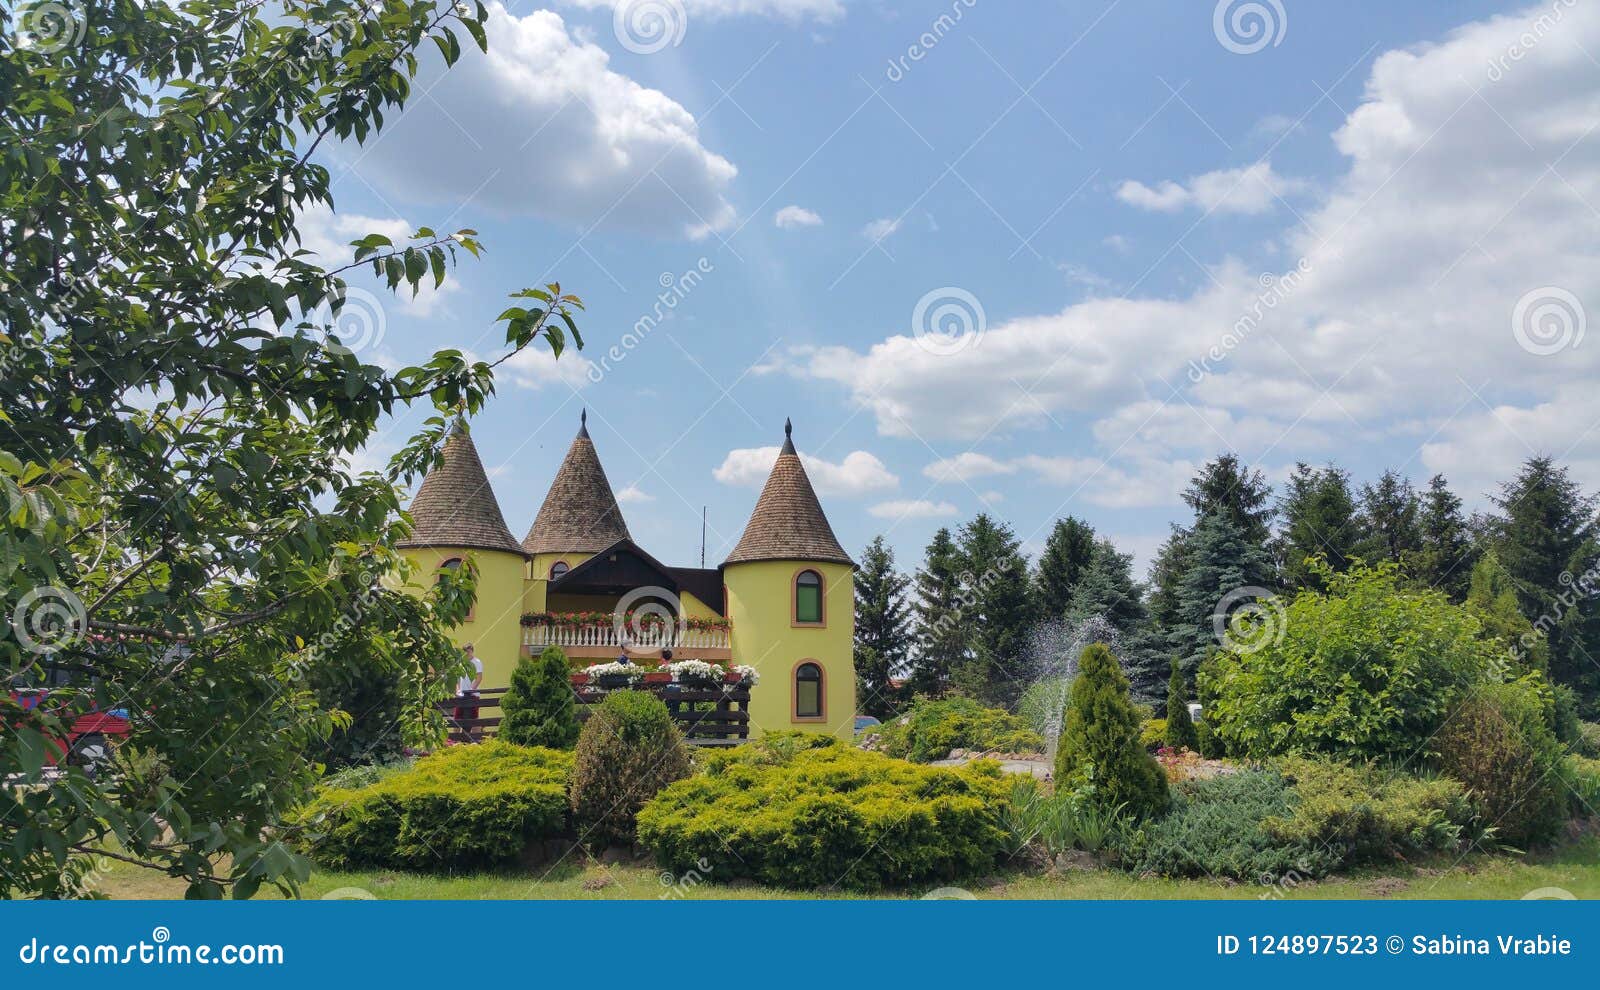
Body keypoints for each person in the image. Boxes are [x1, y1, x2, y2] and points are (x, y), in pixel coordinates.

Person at [454, 642, 484, 734]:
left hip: (473, 694)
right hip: (461, 695)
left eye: (468, 651)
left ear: (472, 651)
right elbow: (457, 678)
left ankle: (475, 739)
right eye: (465, 652)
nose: (467, 654)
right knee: (457, 717)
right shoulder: (460, 663)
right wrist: (457, 690)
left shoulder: (477, 662)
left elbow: (479, 678)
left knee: (474, 718)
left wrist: (471, 689)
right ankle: (455, 740)